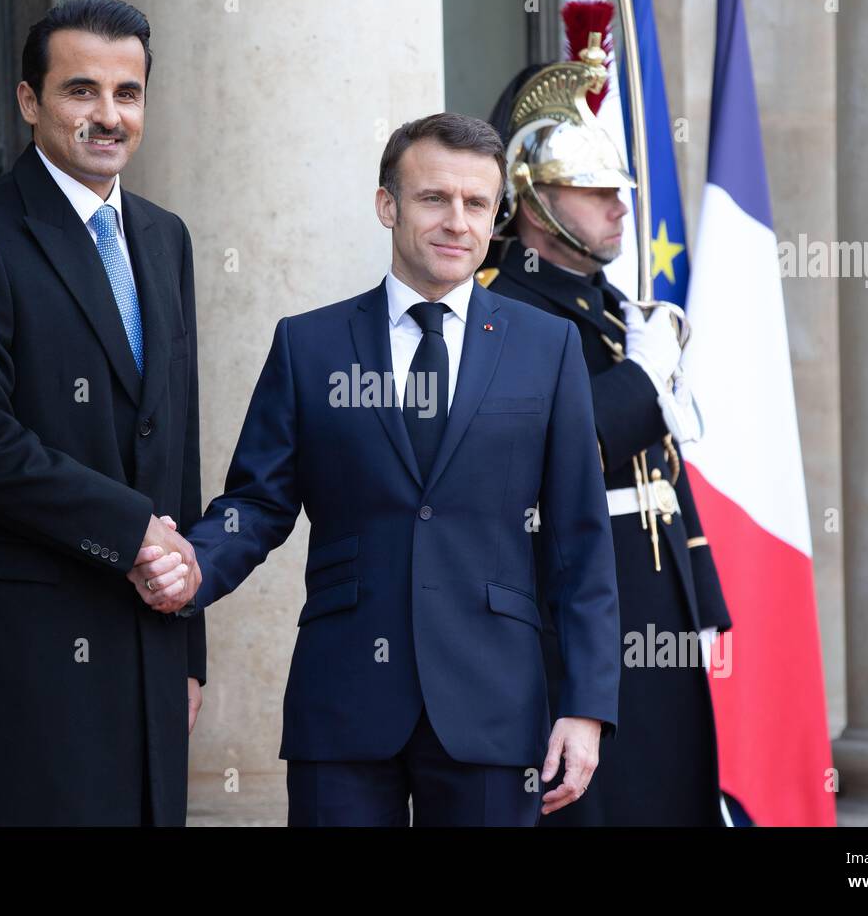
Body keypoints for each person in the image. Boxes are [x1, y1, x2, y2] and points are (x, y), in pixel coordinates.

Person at [132, 113, 621, 826]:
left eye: (476, 203)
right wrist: (196, 567)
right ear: (387, 205)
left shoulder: (547, 349)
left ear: (496, 217)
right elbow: (259, 503)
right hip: (344, 698)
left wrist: (585, 706)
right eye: (433, 199)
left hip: (494, 703)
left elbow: (581, 539)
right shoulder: (310, 346)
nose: (456, 221)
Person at [0, 0, 203, 825]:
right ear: (29, 101)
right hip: (20, 649)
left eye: (128, 93)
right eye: (81, 91)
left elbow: (177, 445)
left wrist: (190, 646)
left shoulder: (165, 238)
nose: (108, 116)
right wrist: (138, 532)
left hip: (149, 641)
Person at [479, 28, 732, 825]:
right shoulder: (503, 308)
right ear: (536, 196)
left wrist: (708, 596)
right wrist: (644, 380)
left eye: (618, 187)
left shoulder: (615, 311)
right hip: (580, 606)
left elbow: (662, 469)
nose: (621, 205)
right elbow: (568, 454)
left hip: (659, 599)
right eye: (596, 190)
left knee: (673, 793)